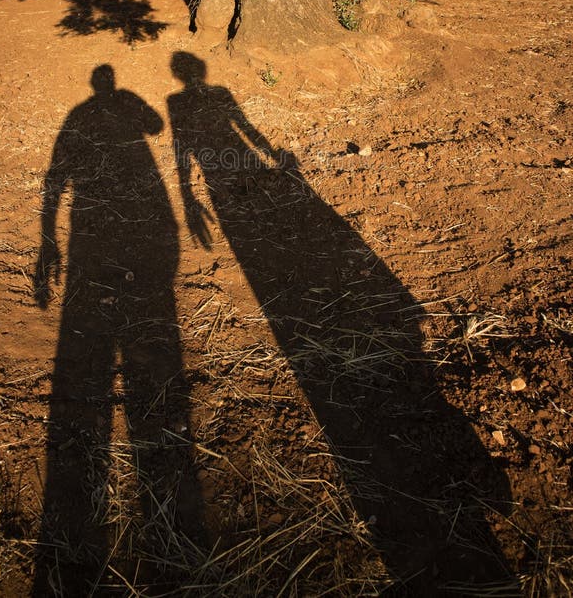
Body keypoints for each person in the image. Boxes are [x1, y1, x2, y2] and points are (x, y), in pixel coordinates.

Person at [168, 51, 517, 594]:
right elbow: (234, 134)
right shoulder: (193, 100)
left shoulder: (192, 100)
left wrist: (205, 186)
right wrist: (219, 180)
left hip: (227, 179)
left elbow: (230, 134)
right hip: (228, 180)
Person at [34, 65, 198, 595]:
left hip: (90, 225)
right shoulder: (115, 106)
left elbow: (58, 175)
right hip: (129, 218)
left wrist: (46, 241)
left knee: (94, 337)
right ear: (107, 84)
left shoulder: (79, 115)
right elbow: (154, 126)